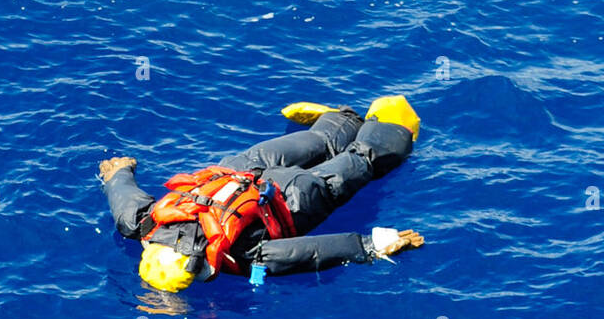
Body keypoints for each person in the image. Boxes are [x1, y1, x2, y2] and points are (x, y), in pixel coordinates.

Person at [99, 95, 424, 292]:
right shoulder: (145, 224)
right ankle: (341, 119)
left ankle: (393, 127)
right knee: (320, 143)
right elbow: (124, 201)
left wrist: (371, 246)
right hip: (241, 169)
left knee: (359, 162)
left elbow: (310, 252)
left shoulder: (239, 255)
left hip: (293, 196)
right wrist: (118, 173)